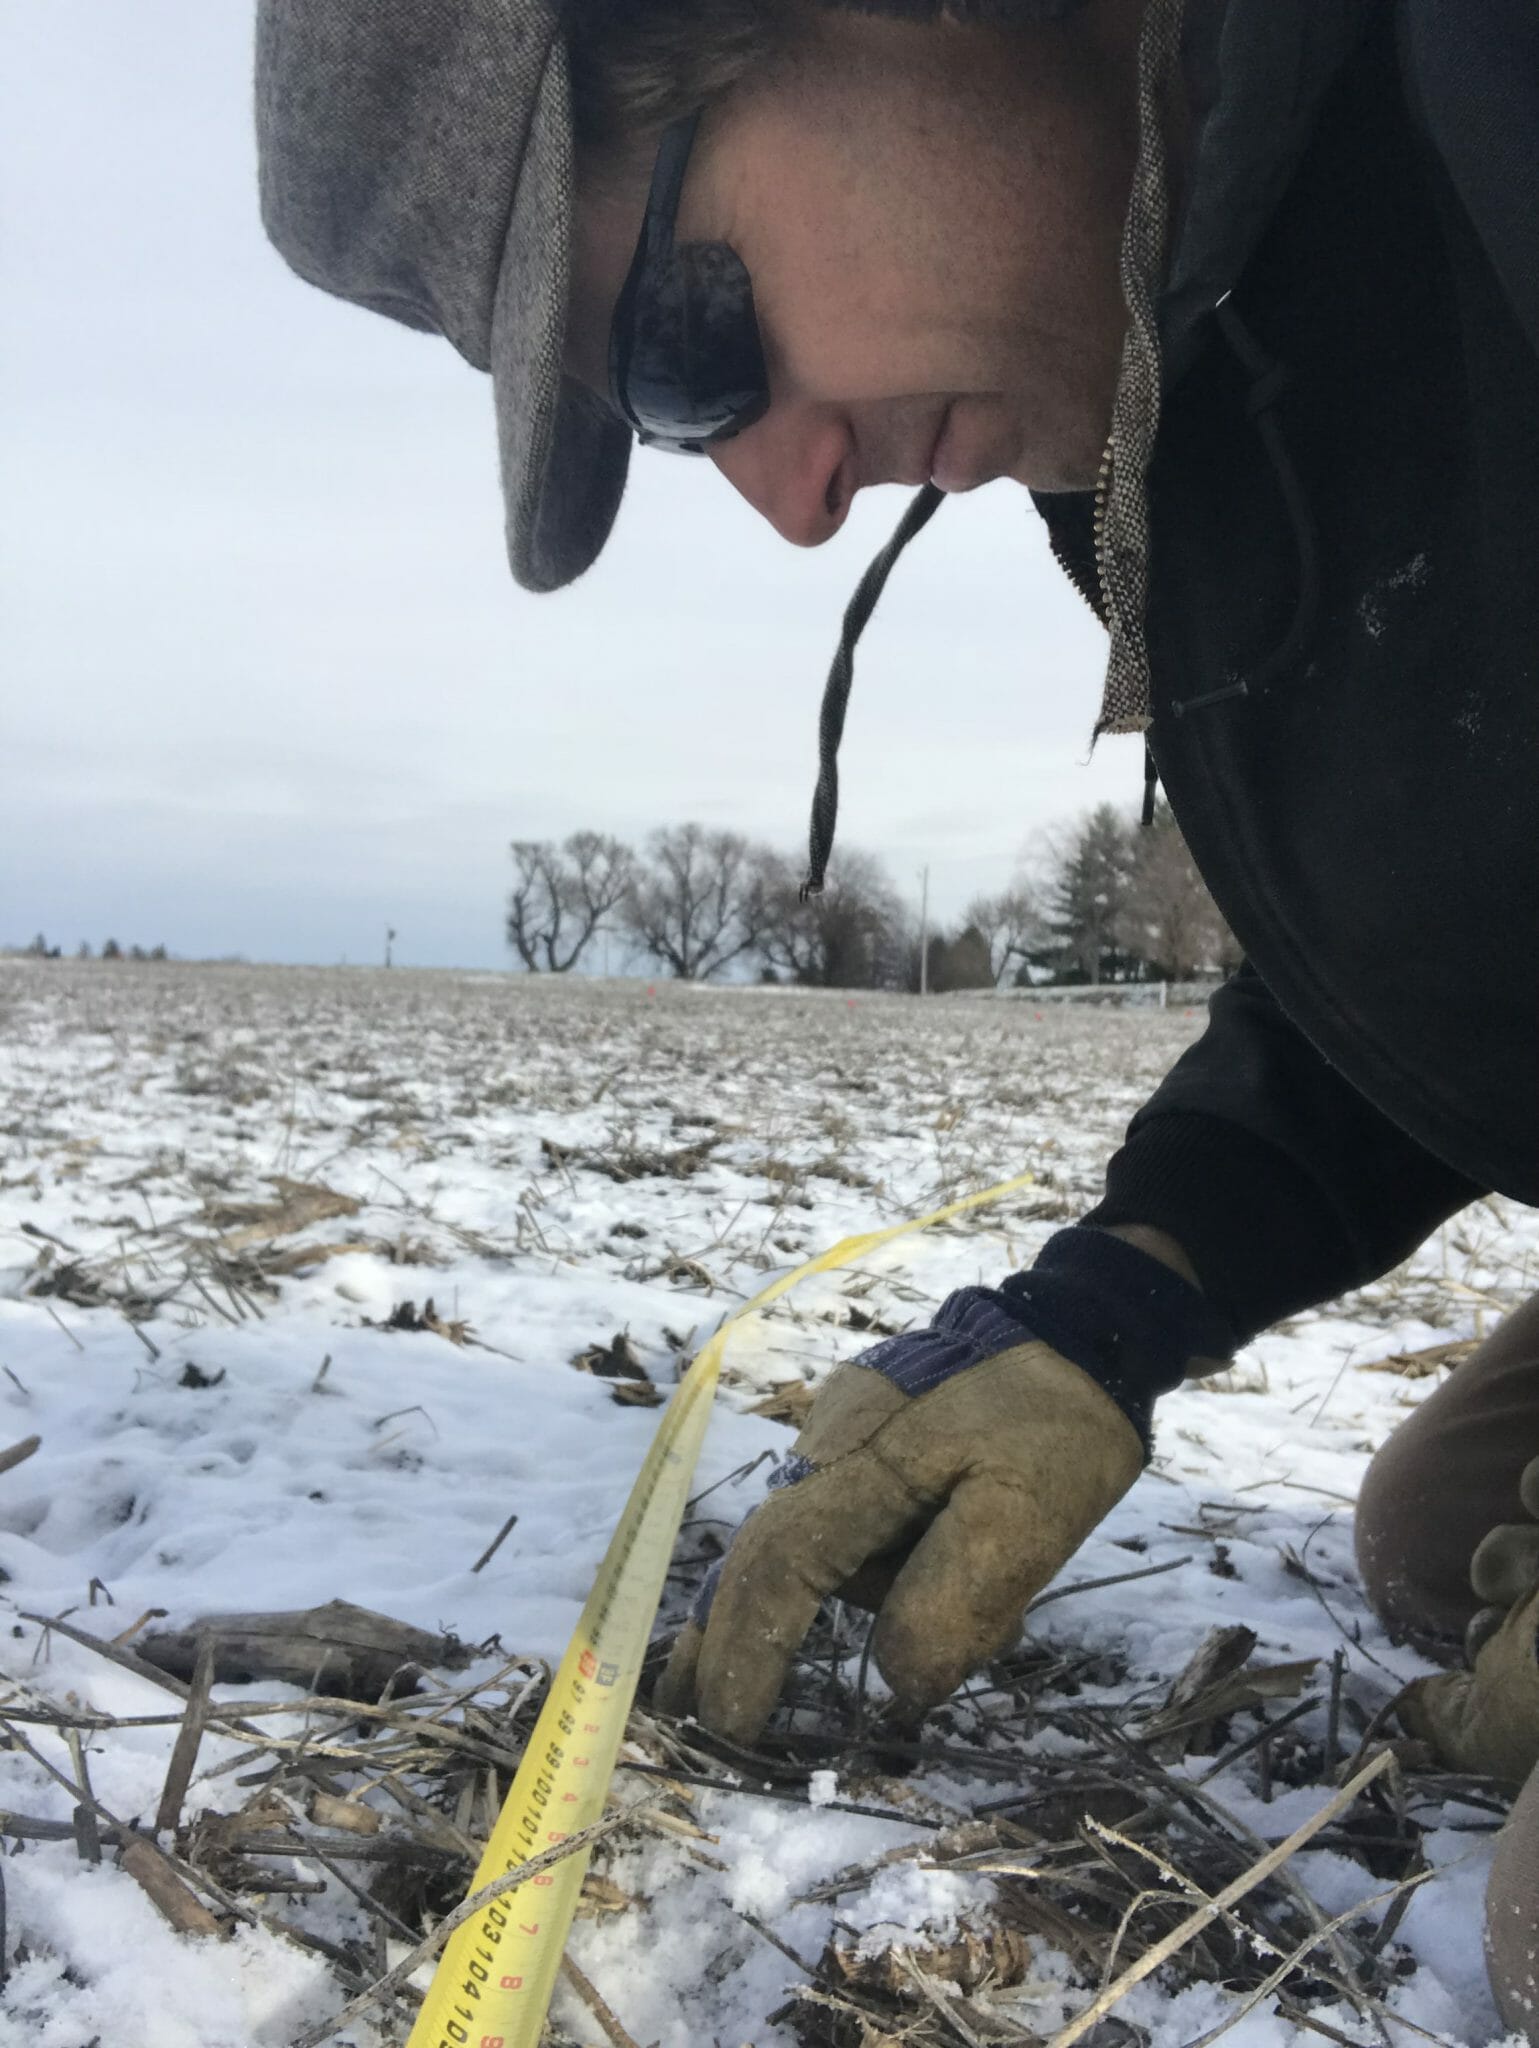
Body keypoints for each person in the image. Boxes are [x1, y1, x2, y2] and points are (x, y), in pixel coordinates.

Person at [254, 0, 1539, 2032]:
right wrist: (1127, 1289)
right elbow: (1479, 902)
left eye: (689, 351)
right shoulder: (1159, 397)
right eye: (687, 427)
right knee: (1438, 1539)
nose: (788, 496)